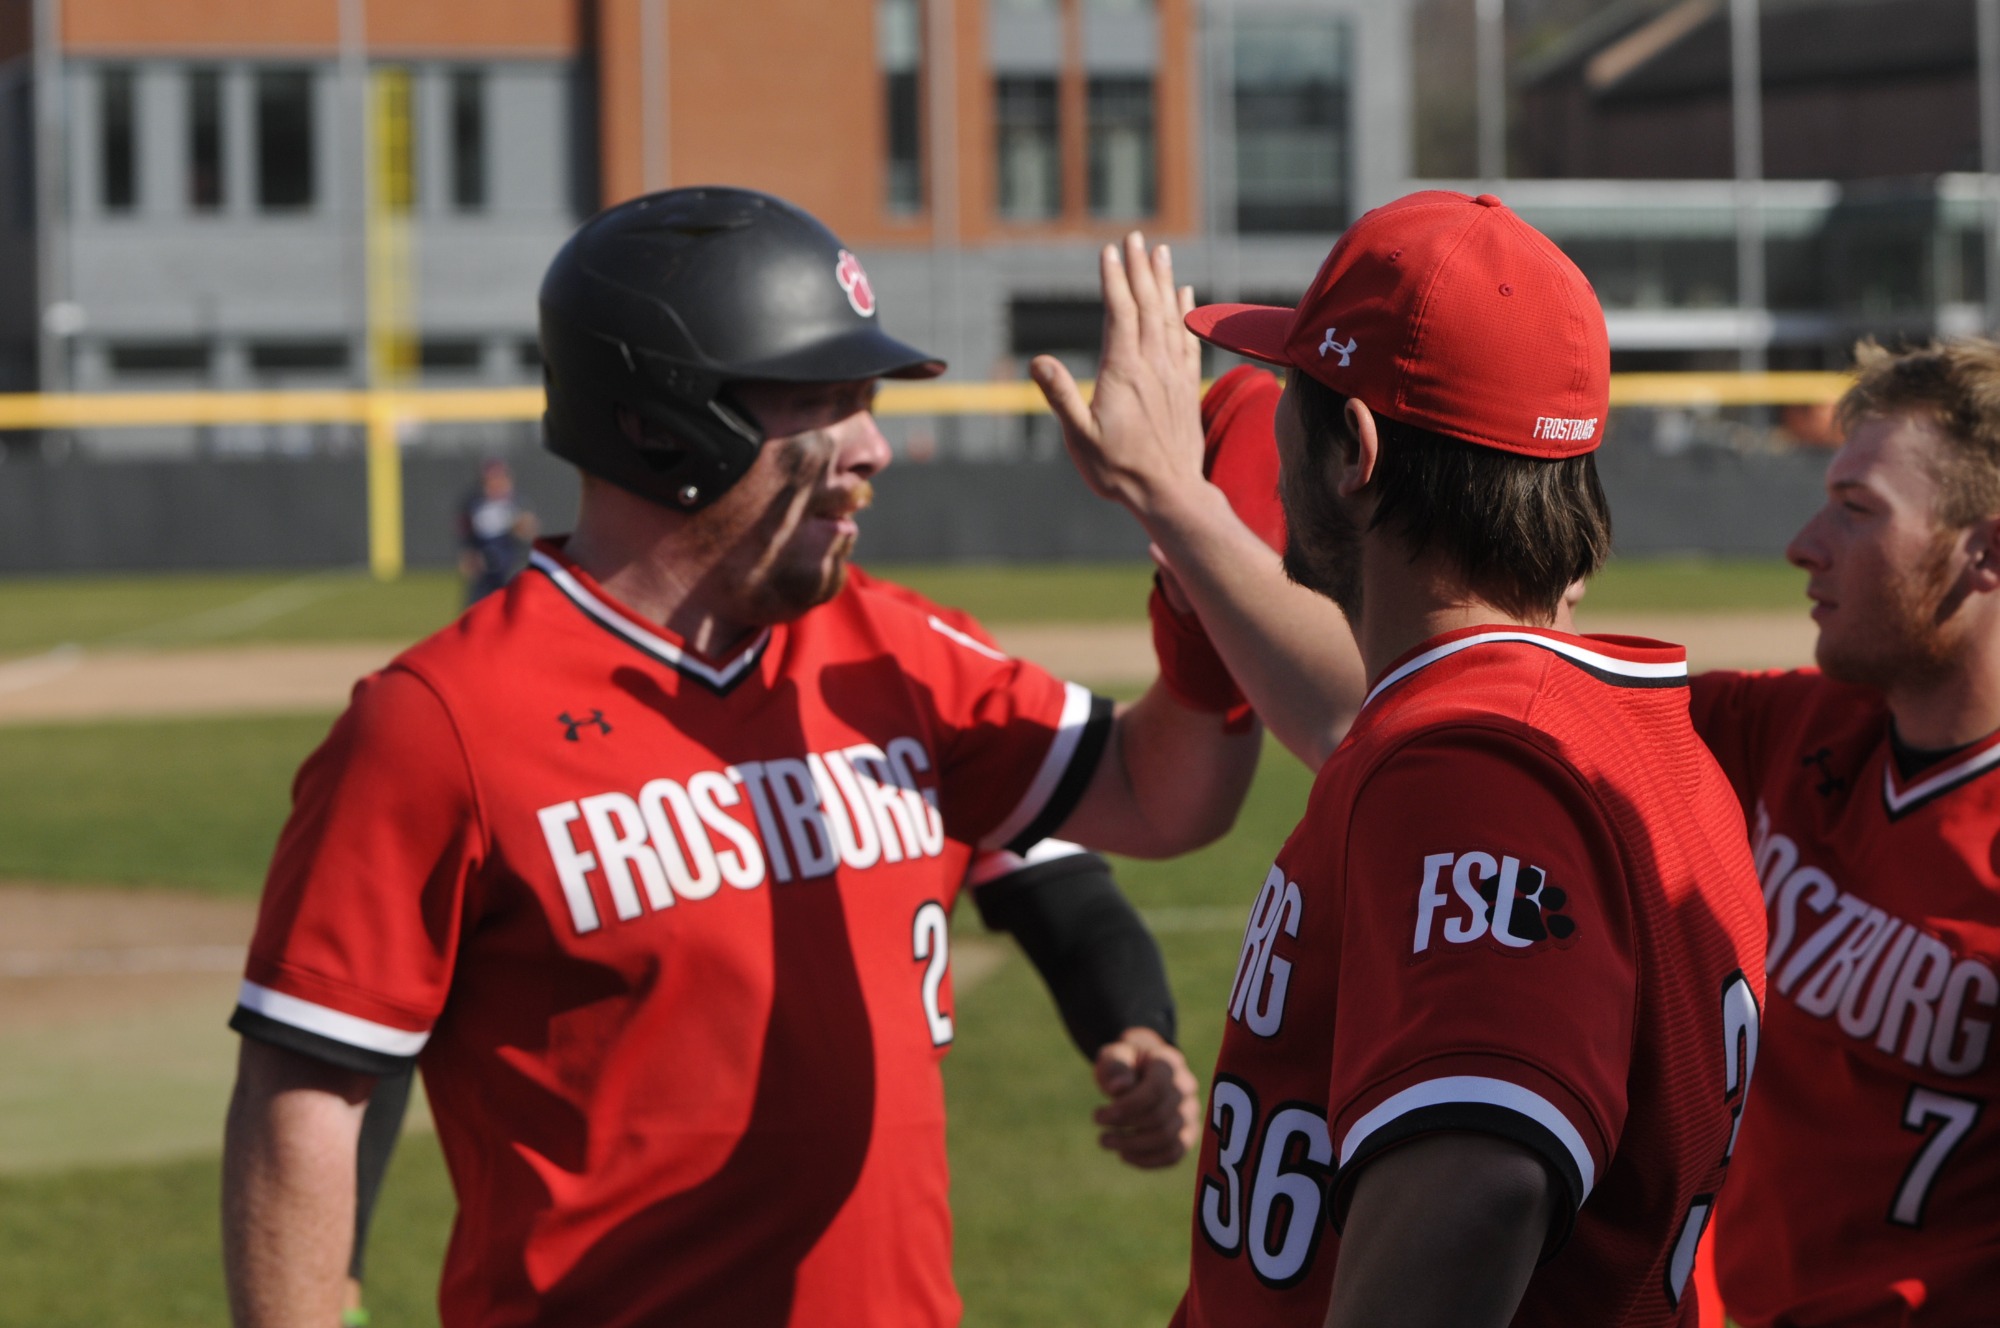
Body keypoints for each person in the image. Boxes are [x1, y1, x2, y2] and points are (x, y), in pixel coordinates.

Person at [219, 187, 1257, 1328]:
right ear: (661, 422)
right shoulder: (437, 722)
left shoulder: (900, 655)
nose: (871, 447)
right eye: (820, 402)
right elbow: (308, 1091)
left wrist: (1200, 552)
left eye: (864, 402)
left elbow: (1163, 798)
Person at [1030, 191, 1769, 1326]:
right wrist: (1166, 493)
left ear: (1353, 453)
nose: (1271, 423)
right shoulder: (1608, 730)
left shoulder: (1472, 768)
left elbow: (1477, 1190)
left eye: (1292, 397)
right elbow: (1351, 711)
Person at [1690, 341, 2000, 1327]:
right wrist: (1192, 515)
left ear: (1984, 552)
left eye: (1855, 509)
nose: (1803, 543)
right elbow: (1482, 711)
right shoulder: (1796, 727)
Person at [457, 457, 537, 604]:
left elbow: (529, 532)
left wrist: (520, 528)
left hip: (509, 564)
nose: (493, 483)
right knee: (477, 607)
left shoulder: (517, 502)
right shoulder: (473, 503)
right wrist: (468, 554)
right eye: (489, 480)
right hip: (483, 566)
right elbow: (466, 532)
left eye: (497, 478)